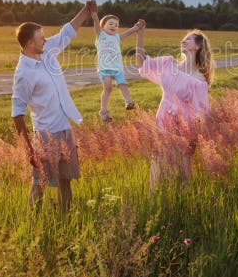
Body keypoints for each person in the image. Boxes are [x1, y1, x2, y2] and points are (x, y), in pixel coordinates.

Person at [11, 0, 95, 212]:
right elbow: (17, 114)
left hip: (63, 128)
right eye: (41, 38)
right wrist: (28, 149)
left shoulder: (46, 51)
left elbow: (66, 33)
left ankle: (65, 217)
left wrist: (85, 12)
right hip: (45, 134)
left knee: (66, 180)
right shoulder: (24, 74)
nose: (46, 40)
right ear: (30, 43)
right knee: (40, 182)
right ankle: (32, 221)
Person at [135, 23, 213, 187]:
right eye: (183, 38)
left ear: (198, 46)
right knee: (159, 159)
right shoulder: (168, 64)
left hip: (183, 124)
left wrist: (195, 137)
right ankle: (156, 196)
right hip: (163, 118)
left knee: (180, 165)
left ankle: (178, 199)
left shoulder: (199, 80)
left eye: (189, 39)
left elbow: (202, 112)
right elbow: (141, 64)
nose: (184, 41)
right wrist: (140, 34)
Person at [90, 11, 143, 122]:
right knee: (108, 88)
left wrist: (136, 27)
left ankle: (128, 102)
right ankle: (104, 111)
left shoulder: (116, 37)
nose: (114, 26)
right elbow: (95, 22)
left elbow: (128, 32)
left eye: (116, 25)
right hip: (105, 69)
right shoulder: (100, 36)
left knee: (123, 84)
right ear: (102, 26)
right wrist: (94, 15)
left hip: (117, 68)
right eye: (111, 24)